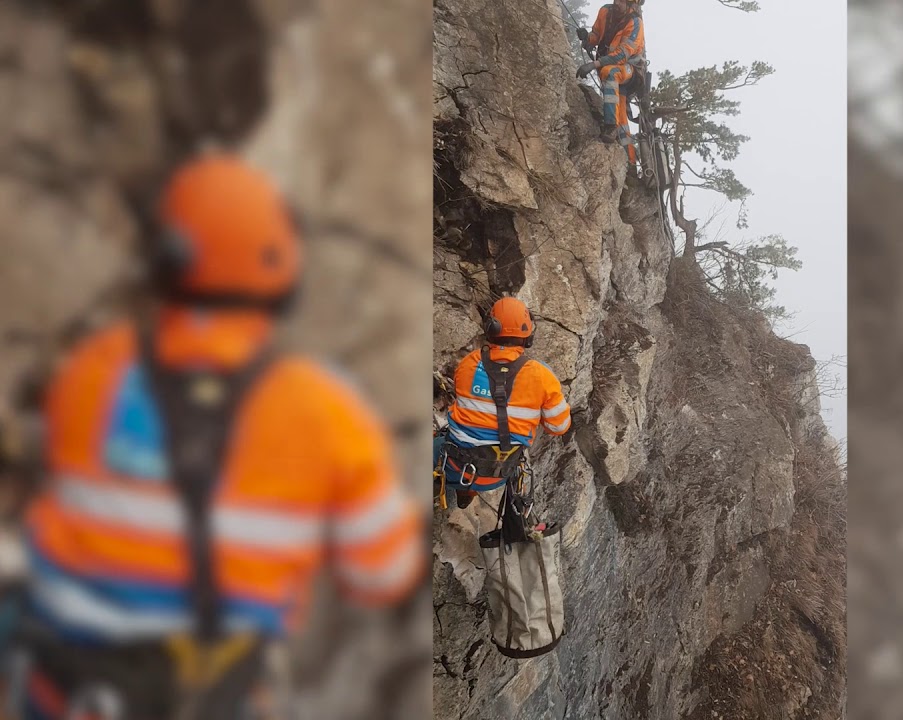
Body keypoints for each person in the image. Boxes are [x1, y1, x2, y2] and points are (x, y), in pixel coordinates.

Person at [5, 153, 424, 719]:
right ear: (285, 272)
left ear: (162, 263)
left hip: (65, 695)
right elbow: (383, 573)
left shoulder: (89, 374)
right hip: (208, 698)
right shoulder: (327, 411)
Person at [435, 297, 571, 510]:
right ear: (528, 337)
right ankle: (467, 492)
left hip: (455, 466)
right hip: (499, 473)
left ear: (490, 330)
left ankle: (459, 489)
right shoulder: (543, 377)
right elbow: (559, 427)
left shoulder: (468, 364)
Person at [576, 0, 646, 165]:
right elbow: (596, 34)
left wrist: (593, 65)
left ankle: (610, 126)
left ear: (631, 5)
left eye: (622, 1)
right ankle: (631, 165)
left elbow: (622, 55)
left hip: (631, 69)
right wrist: (587, 38)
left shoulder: (635, 23)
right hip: (611, 67)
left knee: (611, 72)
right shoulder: (605, 12)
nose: (617, 3)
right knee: (621, 117)